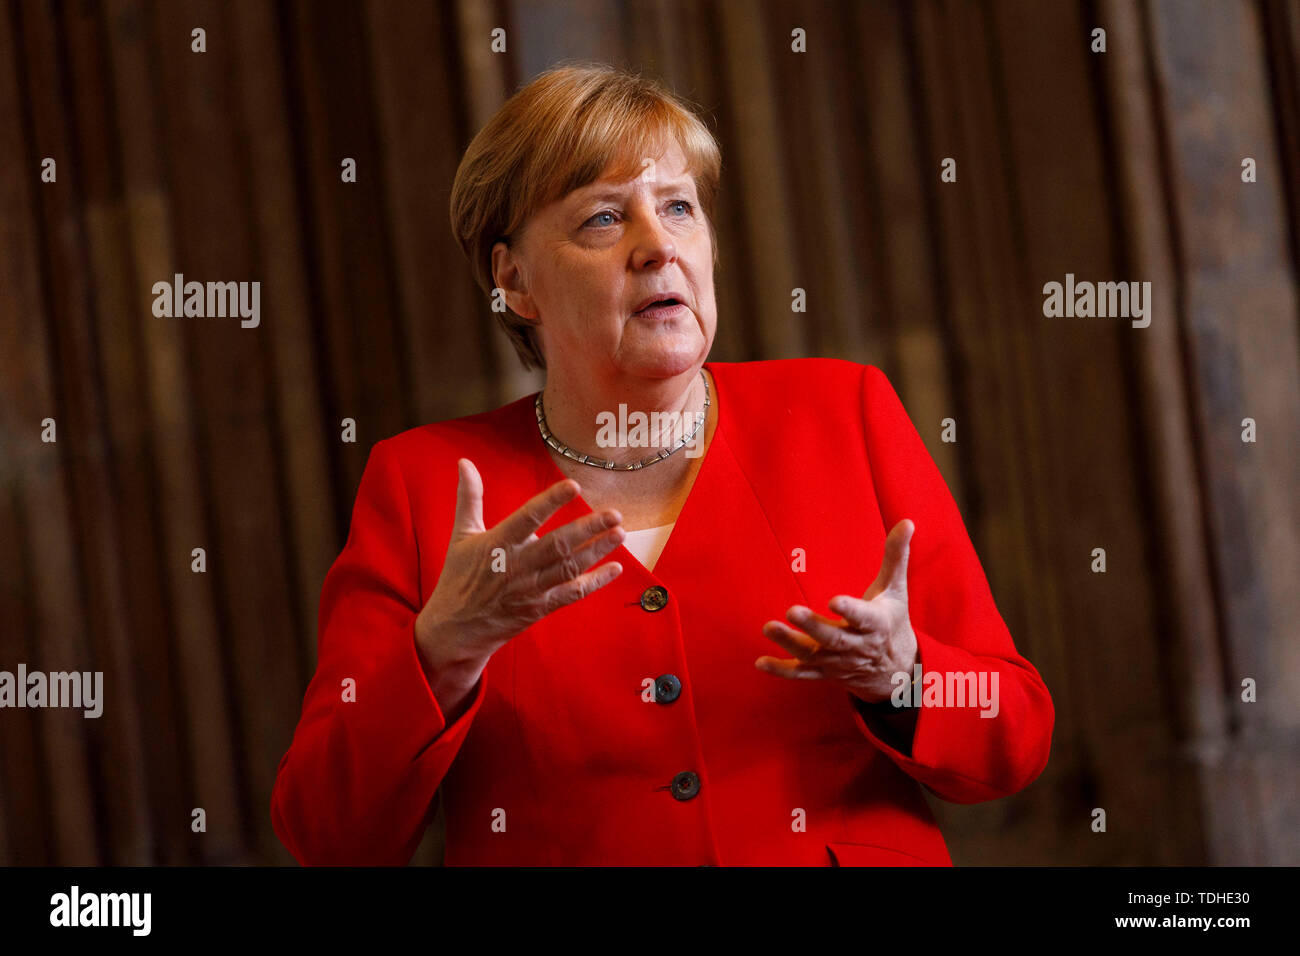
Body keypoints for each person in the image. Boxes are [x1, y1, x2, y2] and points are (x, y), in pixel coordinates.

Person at [270, 61, 1054, 866]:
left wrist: (905, 677)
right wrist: (442, 650)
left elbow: (1016, 731)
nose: (658, 246)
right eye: (603, 220)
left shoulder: (841, 410)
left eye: (679, 207)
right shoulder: (426, 483)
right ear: (515, 281)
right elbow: (325, 834)